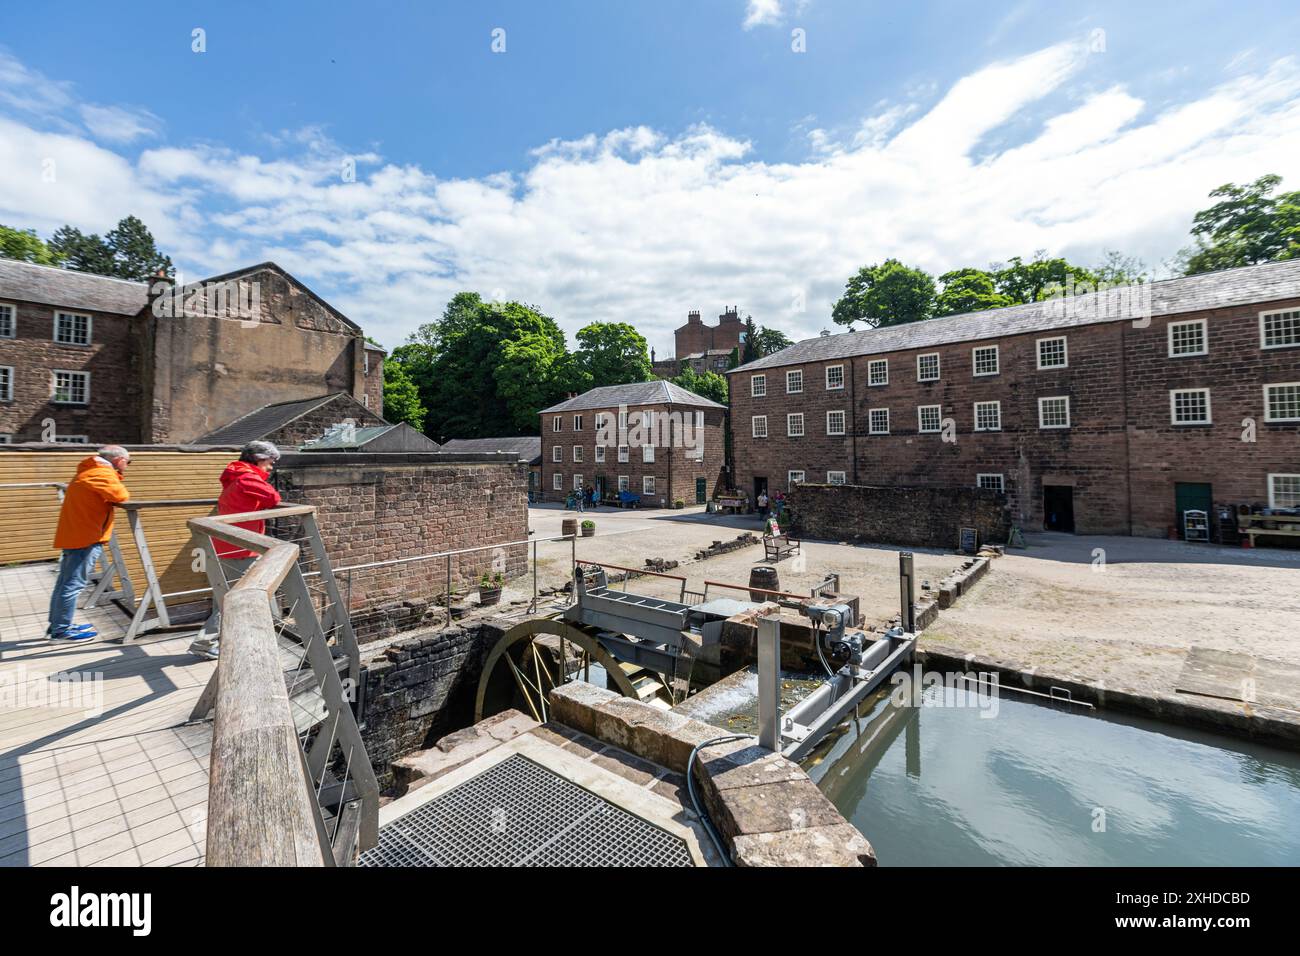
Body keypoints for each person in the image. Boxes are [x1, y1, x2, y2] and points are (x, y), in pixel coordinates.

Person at [192, 441, 283, 660]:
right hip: (240, 548)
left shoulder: (235, 476)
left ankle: (224, 639)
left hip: (227, 544)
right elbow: (273, 497)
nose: (271, 468)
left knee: (226, 595)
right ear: (259, 459)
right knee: (235, 598)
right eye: (270, 462)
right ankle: (204, 642)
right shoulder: (247, 478)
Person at [47, 445, 131, 642]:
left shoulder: (89, 471)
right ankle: (61, 631)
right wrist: (115, 474)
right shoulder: (102, 473)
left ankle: (58, 625)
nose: (128, 465)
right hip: (86, 538)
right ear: (119, 461)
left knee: (64, 584)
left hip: (75, 535)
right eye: (129, 462)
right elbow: (121, 496)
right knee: (73, 585)